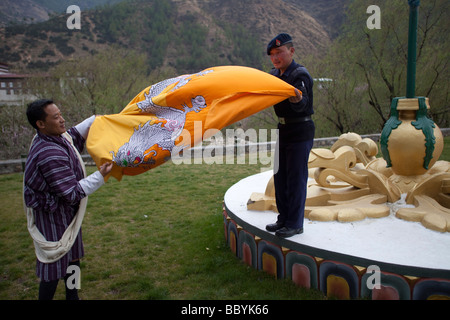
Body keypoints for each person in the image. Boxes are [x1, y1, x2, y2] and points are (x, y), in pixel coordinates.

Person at [23, 99, 113, 299]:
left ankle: (73, 296)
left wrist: (95, 120)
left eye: (60, 114)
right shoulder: (48, 153)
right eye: (56, 117)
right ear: (41, 124)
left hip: (66, 214)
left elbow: (71, 136)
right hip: (53, 218)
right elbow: (72, 193)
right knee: (53, 266)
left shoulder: (53, 137)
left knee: (73, 259)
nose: (62, 120)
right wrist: (101, 175)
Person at [265, 33, 315, 238]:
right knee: (281, 177)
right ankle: (283, 219)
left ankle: (295, 224)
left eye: (279, 52)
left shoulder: (299, 75)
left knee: (295, 178)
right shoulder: (274, 75)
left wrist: (296, 99)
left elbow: (303, 102)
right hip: (283, 130)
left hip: (300, 130)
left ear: (291, 51)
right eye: (272, 54)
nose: (276, 58)